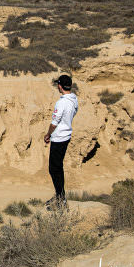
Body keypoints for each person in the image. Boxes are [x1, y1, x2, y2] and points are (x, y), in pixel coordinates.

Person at [44, 74, 78, 210]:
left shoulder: (61, 102)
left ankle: (61, 200)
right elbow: (74, 112)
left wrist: (48, 134)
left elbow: (54, 122)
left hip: (58, 138)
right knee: (58, 168)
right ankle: (60, 195)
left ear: (60, 86)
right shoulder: (74, 99)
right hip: (67, 136)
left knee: (54, 169)